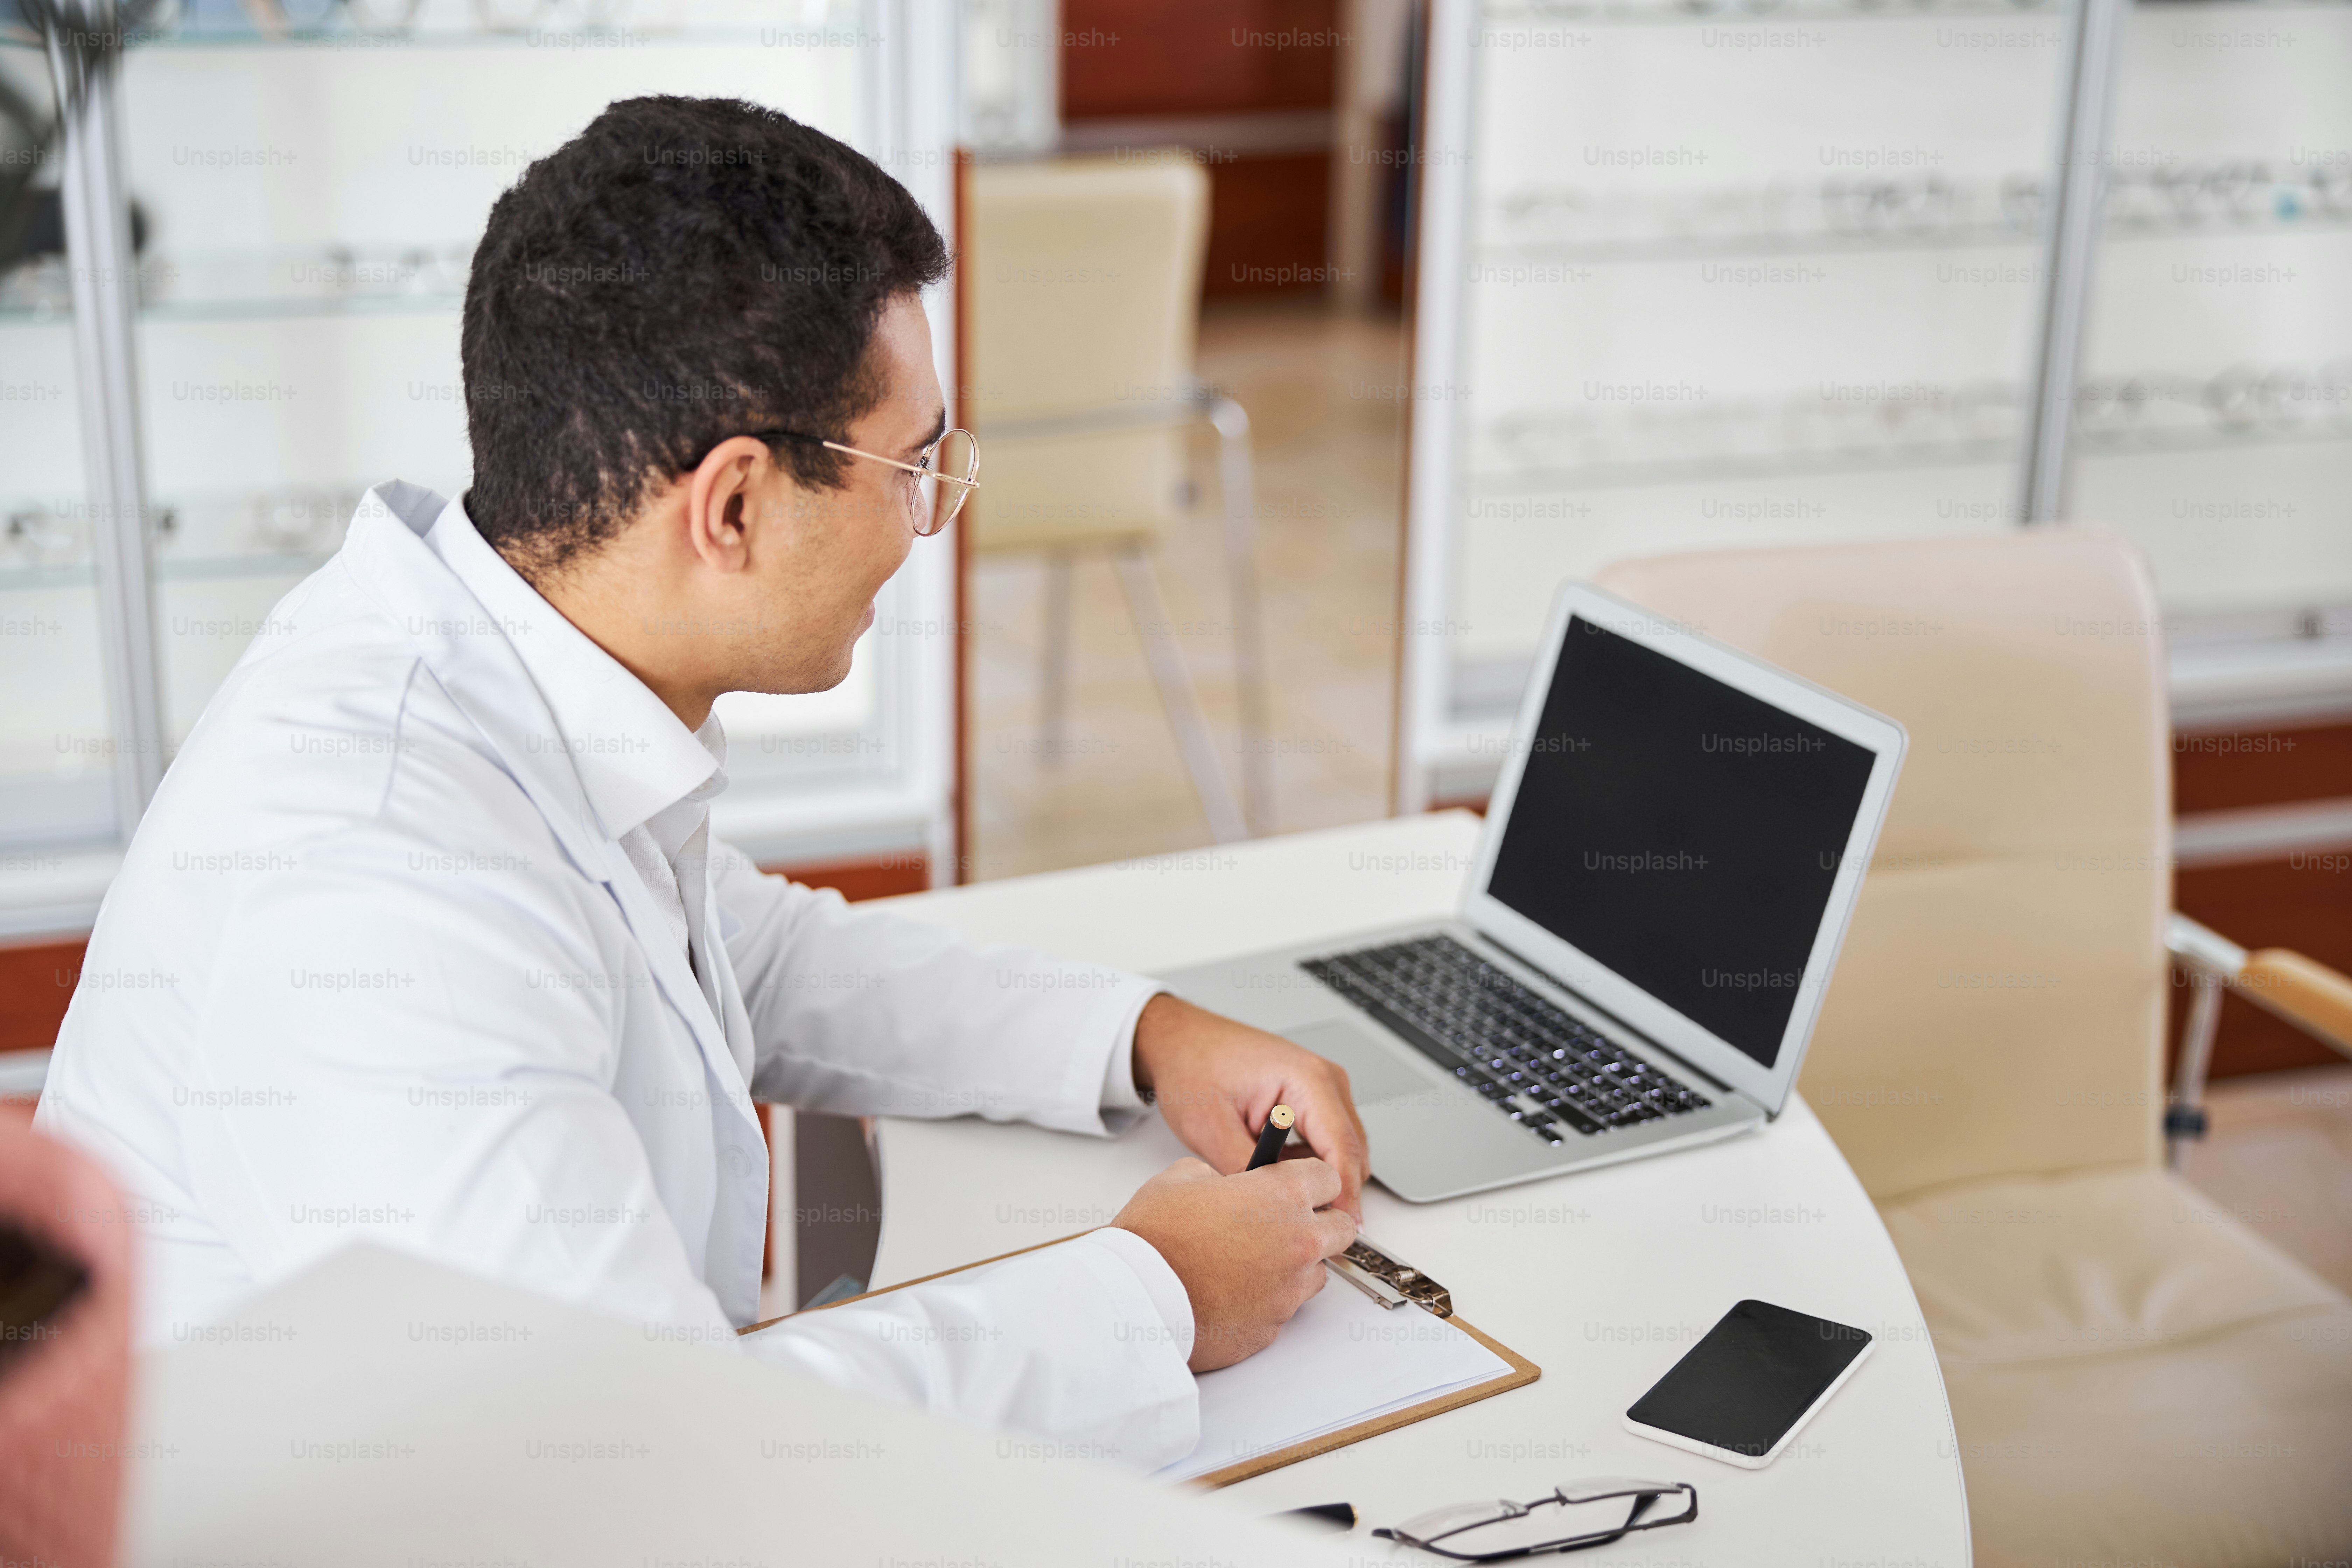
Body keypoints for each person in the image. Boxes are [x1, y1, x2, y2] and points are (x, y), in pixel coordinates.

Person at [33, 95, 1366, 1469]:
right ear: (731, 507)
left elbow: (743, 951)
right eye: (911, 469)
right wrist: (1157, 1296)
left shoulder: (506, 664)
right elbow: (650, 1461)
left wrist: (1145, 1036)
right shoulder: (380, 891)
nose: (926, 527)